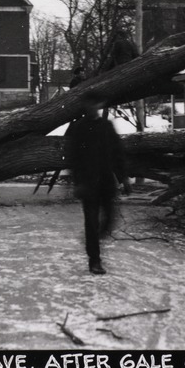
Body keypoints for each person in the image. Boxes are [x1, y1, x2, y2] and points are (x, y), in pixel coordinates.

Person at [64, 90, 131, 275]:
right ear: (86, 106)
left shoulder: (106, 126)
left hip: (106, 182)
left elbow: (118, 153)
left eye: (97, 103)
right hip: (88, 183)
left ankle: (92, 241)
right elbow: (74, 159)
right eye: (90, 104)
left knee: (109, 220)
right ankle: (95, 260)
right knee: (91, 222)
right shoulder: (79, 128)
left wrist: (124, 178)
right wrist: (77, 182)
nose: (94, 107)